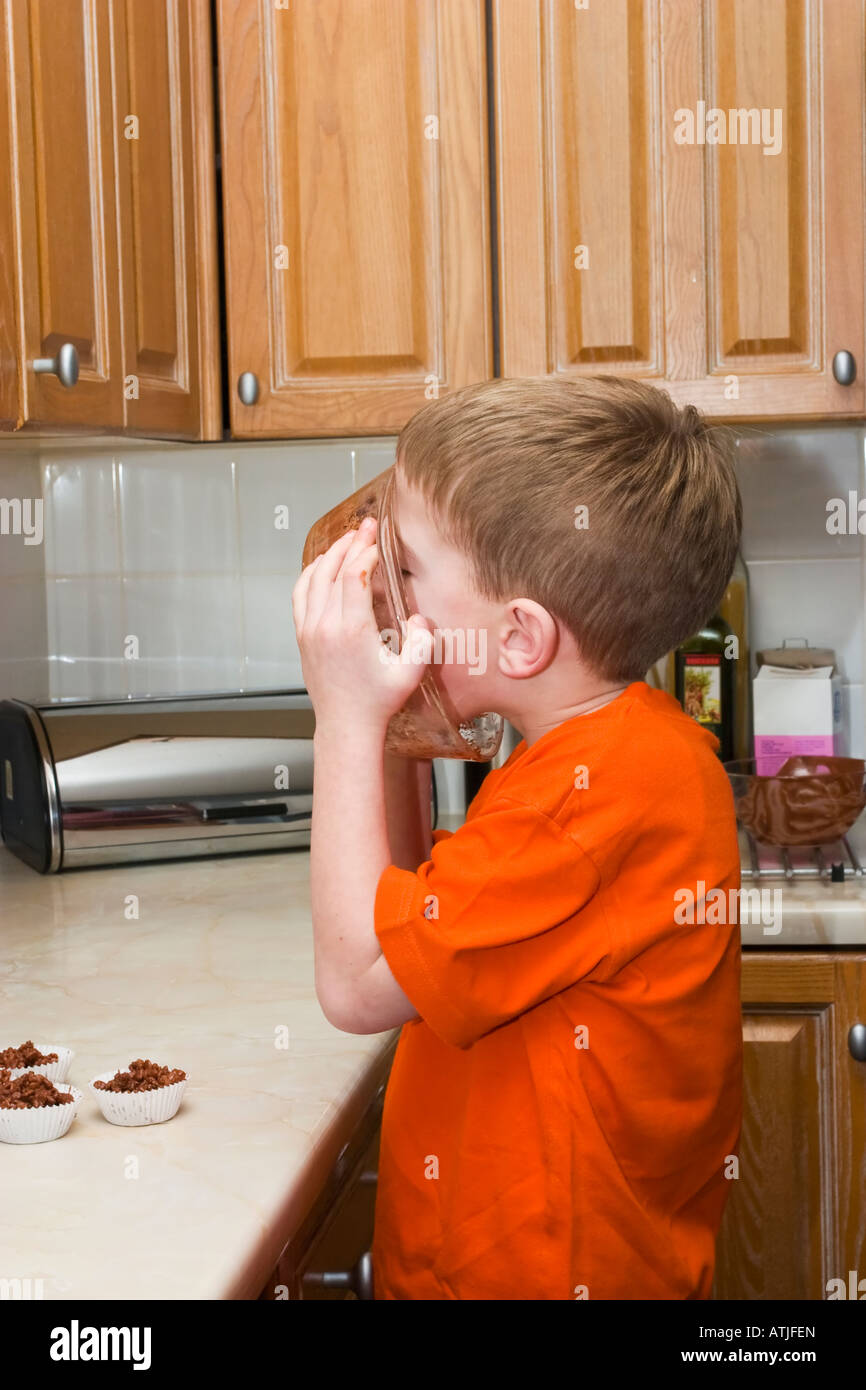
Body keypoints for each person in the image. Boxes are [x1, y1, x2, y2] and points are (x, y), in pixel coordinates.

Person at [292, 375, 744, 1300]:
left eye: (406, 570)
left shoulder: (584, 797)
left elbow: (359, 984)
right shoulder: (604, 751)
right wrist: (394, 721)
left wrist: (341, 719)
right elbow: (414, 919)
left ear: (520, 639)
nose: (384, 584)